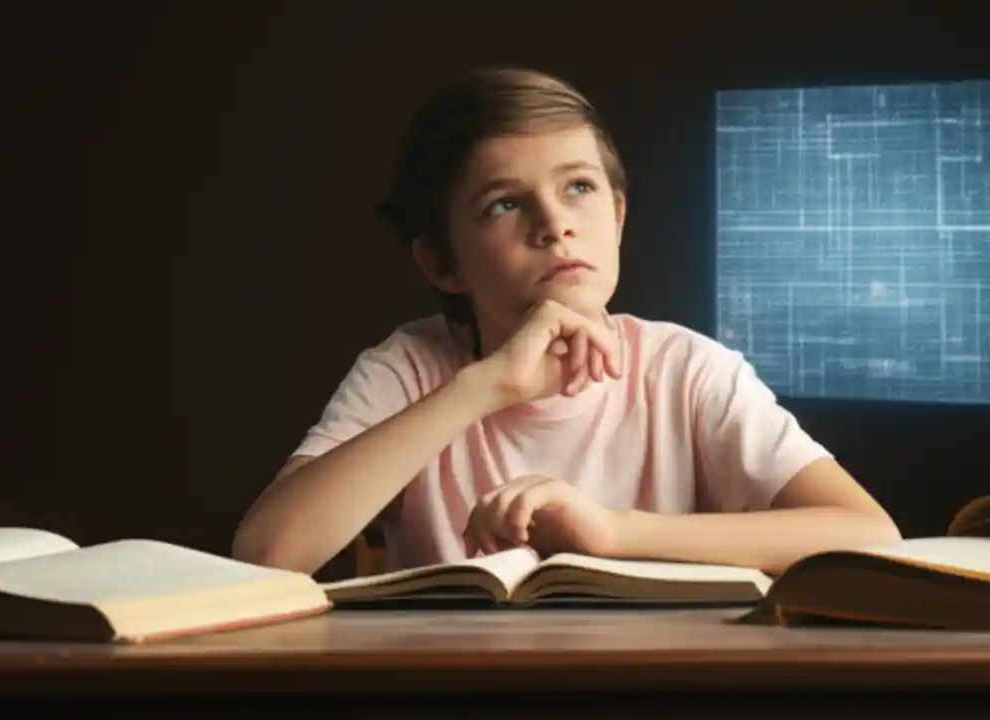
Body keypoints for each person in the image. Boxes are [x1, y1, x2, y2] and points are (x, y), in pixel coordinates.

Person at [232, 67, 900, 576]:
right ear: (442, 264)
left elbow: (868, 534)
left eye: (577, 187)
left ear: (618, 215)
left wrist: (611, 533)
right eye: (503, 205)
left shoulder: (685, 369)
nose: (555, 224)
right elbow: (268, 552)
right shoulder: (408, 369)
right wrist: (487, 386)